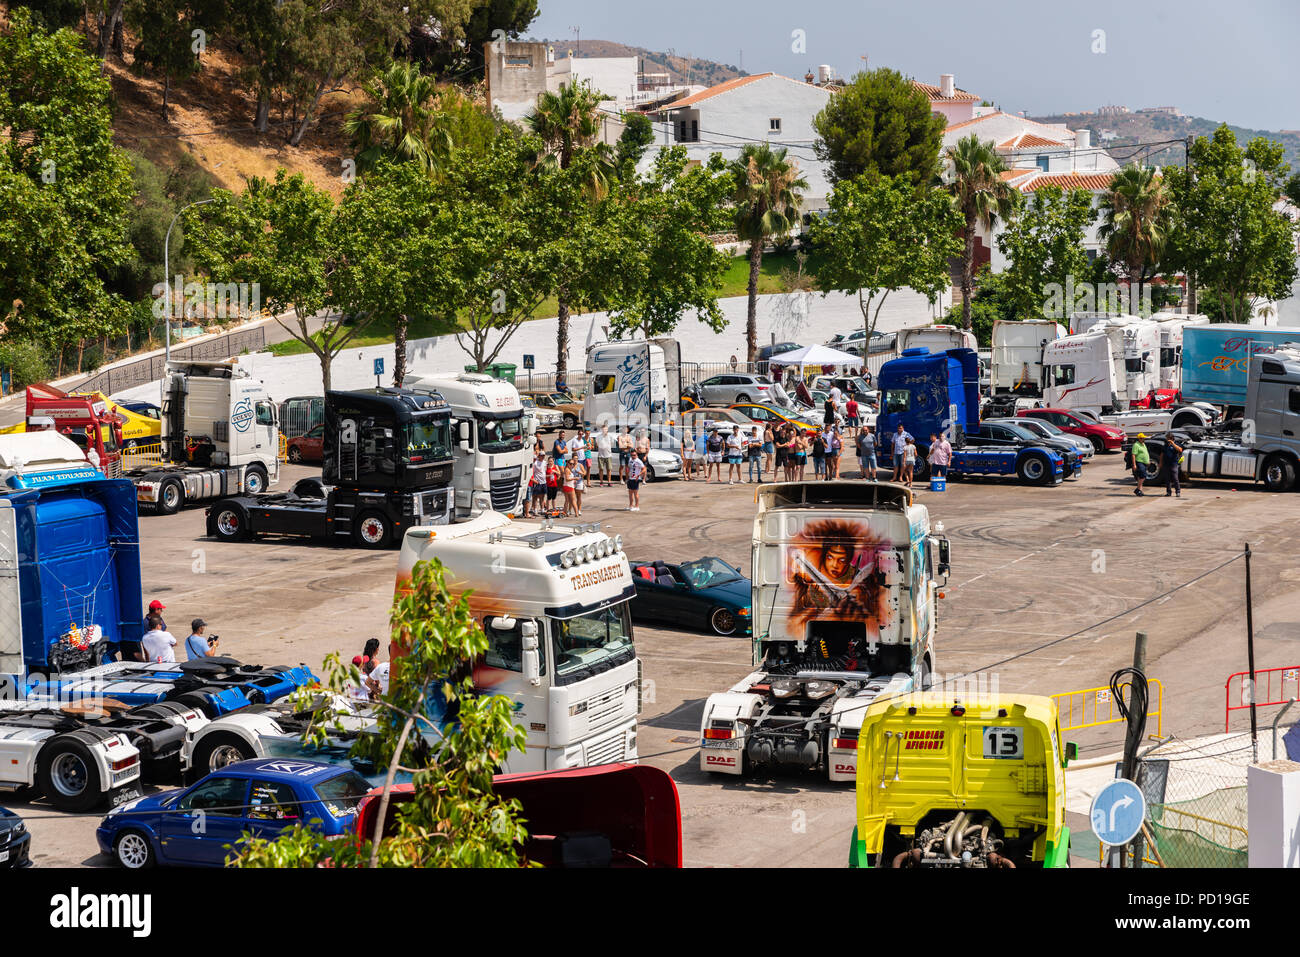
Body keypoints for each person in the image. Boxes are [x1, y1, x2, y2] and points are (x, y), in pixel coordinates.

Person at [524, 447, 546, 518]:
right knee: (534, 497)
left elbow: (544, 471)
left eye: (543, 455)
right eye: (541, 455)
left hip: (543, 482)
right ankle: (534, 510)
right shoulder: (535, 463)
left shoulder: (545, 462)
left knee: (542, 496)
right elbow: (530, 474)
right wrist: (535, 481)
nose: (542, 457)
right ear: (538, 456)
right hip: (536, 482)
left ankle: (542, 509)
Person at [1162, 431, 1183, 498]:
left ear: (1172, 438)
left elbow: (1180, 450)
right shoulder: (1165, 445)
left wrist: (1173, 444)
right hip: (1166, 463)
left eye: (1168, 438)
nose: (1167, 440)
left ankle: (1178, 491)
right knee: (1167, 478)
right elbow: (1162, 454)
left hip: (1174, 463)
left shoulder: (1176, 444)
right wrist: (1160, 462)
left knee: (1175, 478)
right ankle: (1168, 492)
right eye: (1167, 438)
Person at [572, 451, 586, 516]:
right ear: (572, 459)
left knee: (578, 497)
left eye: (577, 458)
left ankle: (579, 510)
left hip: (579, 482)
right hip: (572, 482)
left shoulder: (580, 465)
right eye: (574, 458)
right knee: (572, 497)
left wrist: (580, 473)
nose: (576, 460)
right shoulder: (570, 465)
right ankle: (570, 510)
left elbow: (584, 473)